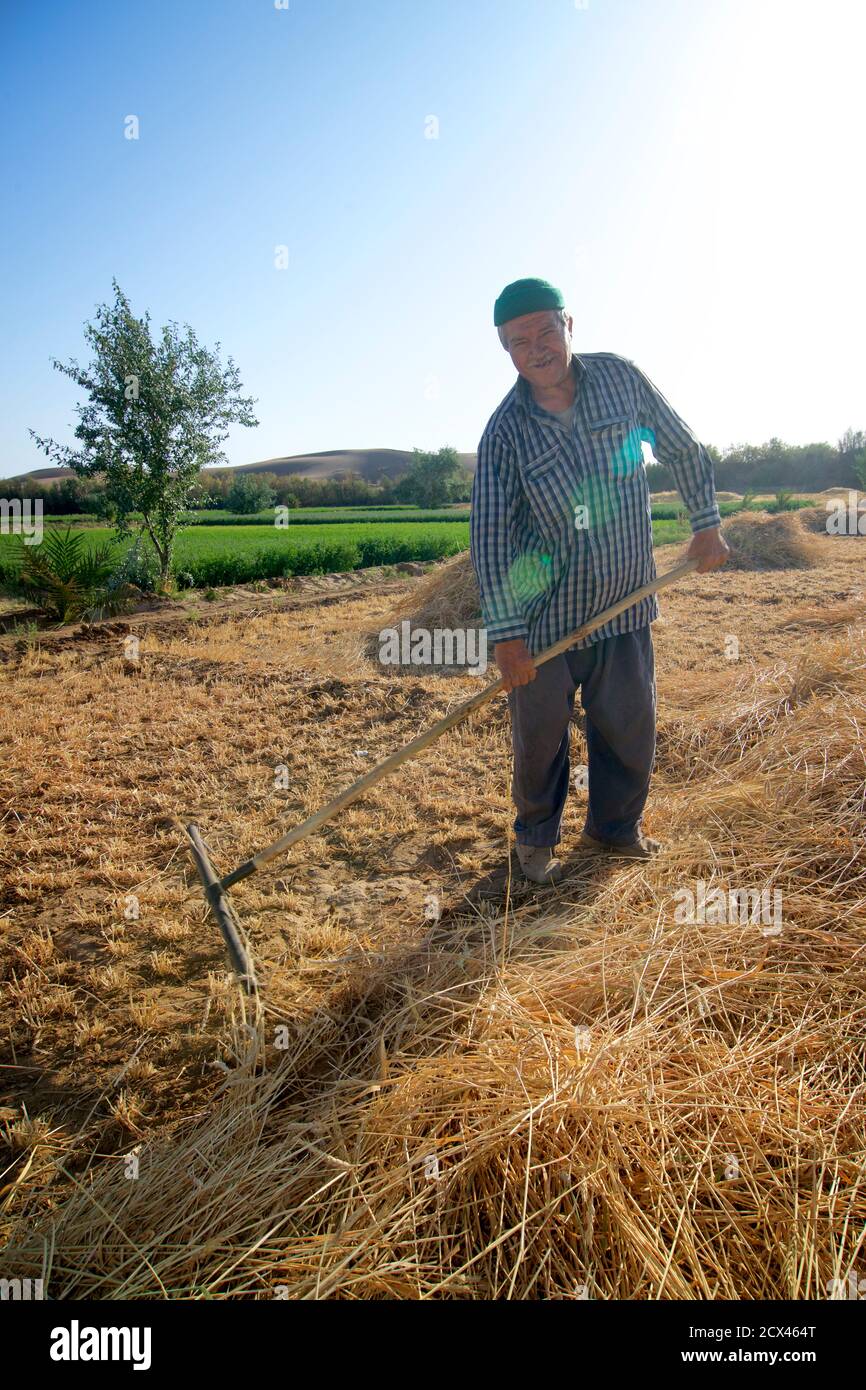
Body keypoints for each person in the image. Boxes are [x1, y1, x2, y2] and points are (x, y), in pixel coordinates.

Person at [470, 277, 729, 884]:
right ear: (506, 350)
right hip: (544, 622)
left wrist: (706, 523)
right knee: (539, 741)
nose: (536, 348)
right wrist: (507, 636)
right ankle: (535, 842)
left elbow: (683, 448)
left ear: (568, 325)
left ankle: (615, 830)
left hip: (624, 602)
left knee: (628, 723)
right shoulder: (505, 432)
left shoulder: (620, 379)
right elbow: (490, 538)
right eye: (519, 341)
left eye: (545, 331)